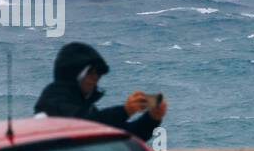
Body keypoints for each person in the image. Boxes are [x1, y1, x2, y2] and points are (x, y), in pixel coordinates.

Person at [33, 42, 166, 141]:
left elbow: (123, 137)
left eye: (98, 72)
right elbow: (82, 127)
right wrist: (125, 111)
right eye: (90, 72)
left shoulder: (84, 107)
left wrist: (151, 119)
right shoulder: (53, 99)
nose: (95, 77)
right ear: (74, 74)